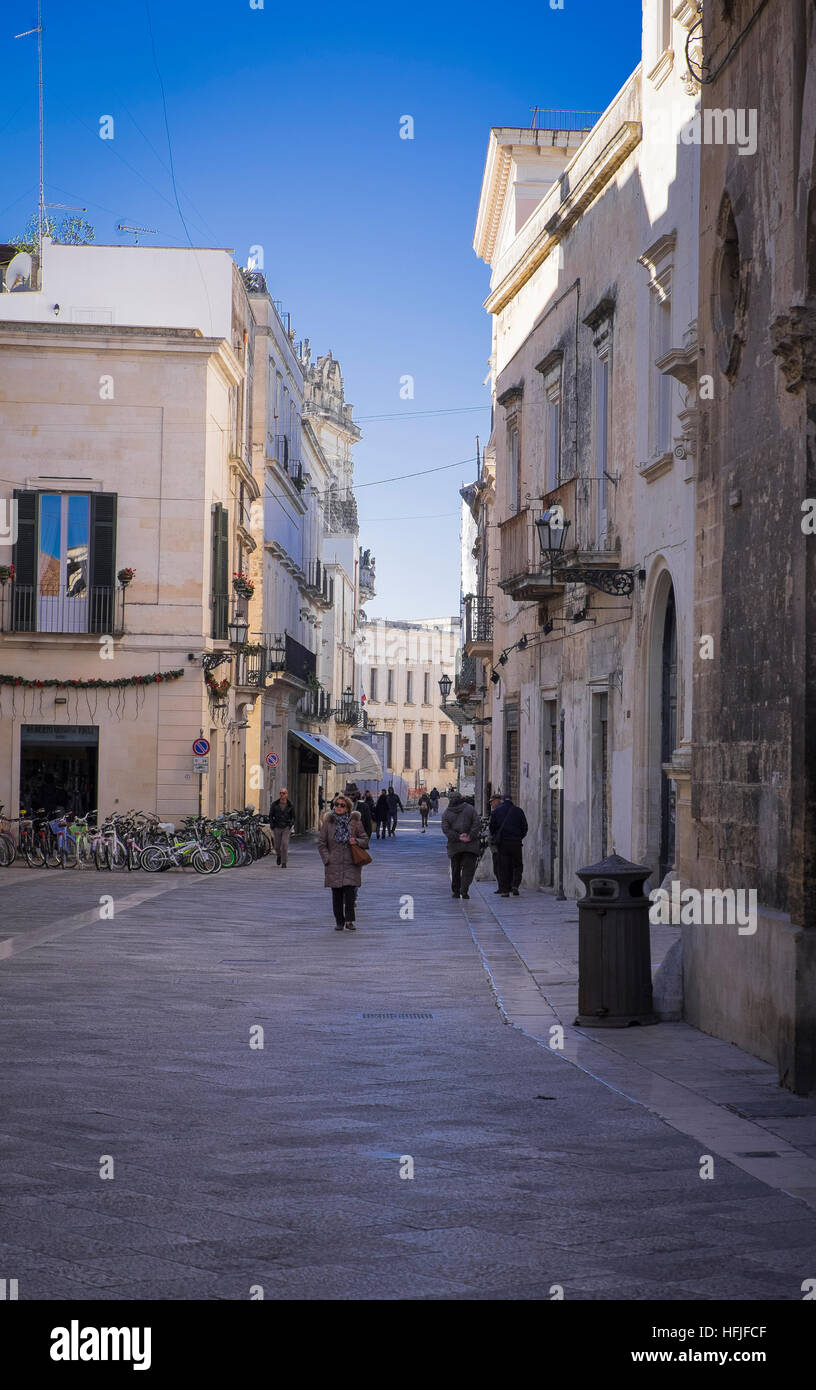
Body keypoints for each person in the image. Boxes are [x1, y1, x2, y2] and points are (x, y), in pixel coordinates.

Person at [317, 793, 370, 931]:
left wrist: (356, 841)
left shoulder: (355, 823)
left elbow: (365, 839)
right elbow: (322, 843)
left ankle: (349, 920)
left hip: (351, 863)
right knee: (337, 895)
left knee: (350, 893)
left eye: (342, 805)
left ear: (348, 808)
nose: (339, 807)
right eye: (336, 805)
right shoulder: (328, 823)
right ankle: (339, 921)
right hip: (333, 863)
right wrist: (326, 858)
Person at [441, 792, 481, 899]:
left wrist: (457, 837)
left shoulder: (446, 813)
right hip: (471, 845)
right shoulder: (470, 809)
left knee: (455, 869)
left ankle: (456, 891)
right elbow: (477, 823)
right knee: (468, 869)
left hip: (455, 846)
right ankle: (464, 890)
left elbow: (445, 829)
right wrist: (470, 835)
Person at [489, 793, 529, 897]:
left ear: (502, 800)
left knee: (503, 867)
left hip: (502, 843)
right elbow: (525, 827)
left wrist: (497, 837)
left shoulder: (496, 811)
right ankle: (515, 885)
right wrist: (519, 837)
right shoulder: (519, 811)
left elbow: (492, 828)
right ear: (512, 800)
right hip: (516, 842)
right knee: (517, 865)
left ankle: (505, 890)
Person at [268, 788, 295, 866]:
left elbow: (293, 816)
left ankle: (284, 862)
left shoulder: (290, 805)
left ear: (287, 794)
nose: (281, 794)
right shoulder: (275, 804)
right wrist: (272, 824)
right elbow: (271, 815)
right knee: (277, 846)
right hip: (277, 826)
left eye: (283, 793)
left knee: (284, 844)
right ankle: (279, 855)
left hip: (286, 826)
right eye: (280, 793)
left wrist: (290, 824)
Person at [487, 792, 503, 891]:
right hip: (503, 843)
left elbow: (492, 827)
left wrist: (492, 838)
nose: (491, 804)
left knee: (498, 867)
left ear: (497, 801)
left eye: (492, 802)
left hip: (497, 844)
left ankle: (502, 887)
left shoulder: (496, 812)